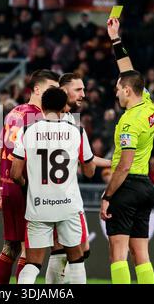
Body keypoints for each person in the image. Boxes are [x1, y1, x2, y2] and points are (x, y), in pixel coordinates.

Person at [12, 86, 96, 284]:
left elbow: (15, 174)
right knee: (76, 259)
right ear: (64, 107)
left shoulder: (27, 131)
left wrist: (28, 186)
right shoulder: (77, 131)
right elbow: (90, 172)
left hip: (39, 205)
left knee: (32, 264)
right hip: (68, 204)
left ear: (42, 106)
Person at [99, 18, 154, 284]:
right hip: (146, 186)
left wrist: (107, 195)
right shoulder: (148, 104)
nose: (116, 94)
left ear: (126, 91)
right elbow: (129, 72)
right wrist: (115, 39)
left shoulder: (129, 122)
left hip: (127, 186)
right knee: (141, 254)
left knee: (118, 254)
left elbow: (124, 164)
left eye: (118, 90)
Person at [0, 69, 60, 284]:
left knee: (10, 246)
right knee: (28, 249)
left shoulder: (14, 112)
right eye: (51, 89)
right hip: (25, 187)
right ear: (37, 89)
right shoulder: (38, 116)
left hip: (7, 186)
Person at [45, 72, 112, 284]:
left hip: (45, 195)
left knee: (65, 249)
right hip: (64, 196)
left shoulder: (43, 121)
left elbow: (87, 158)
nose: (84, 94)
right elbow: (88, 166)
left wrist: (113, 162)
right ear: (63, 92)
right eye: (78, 90)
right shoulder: (70, 125)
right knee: (75, 250)